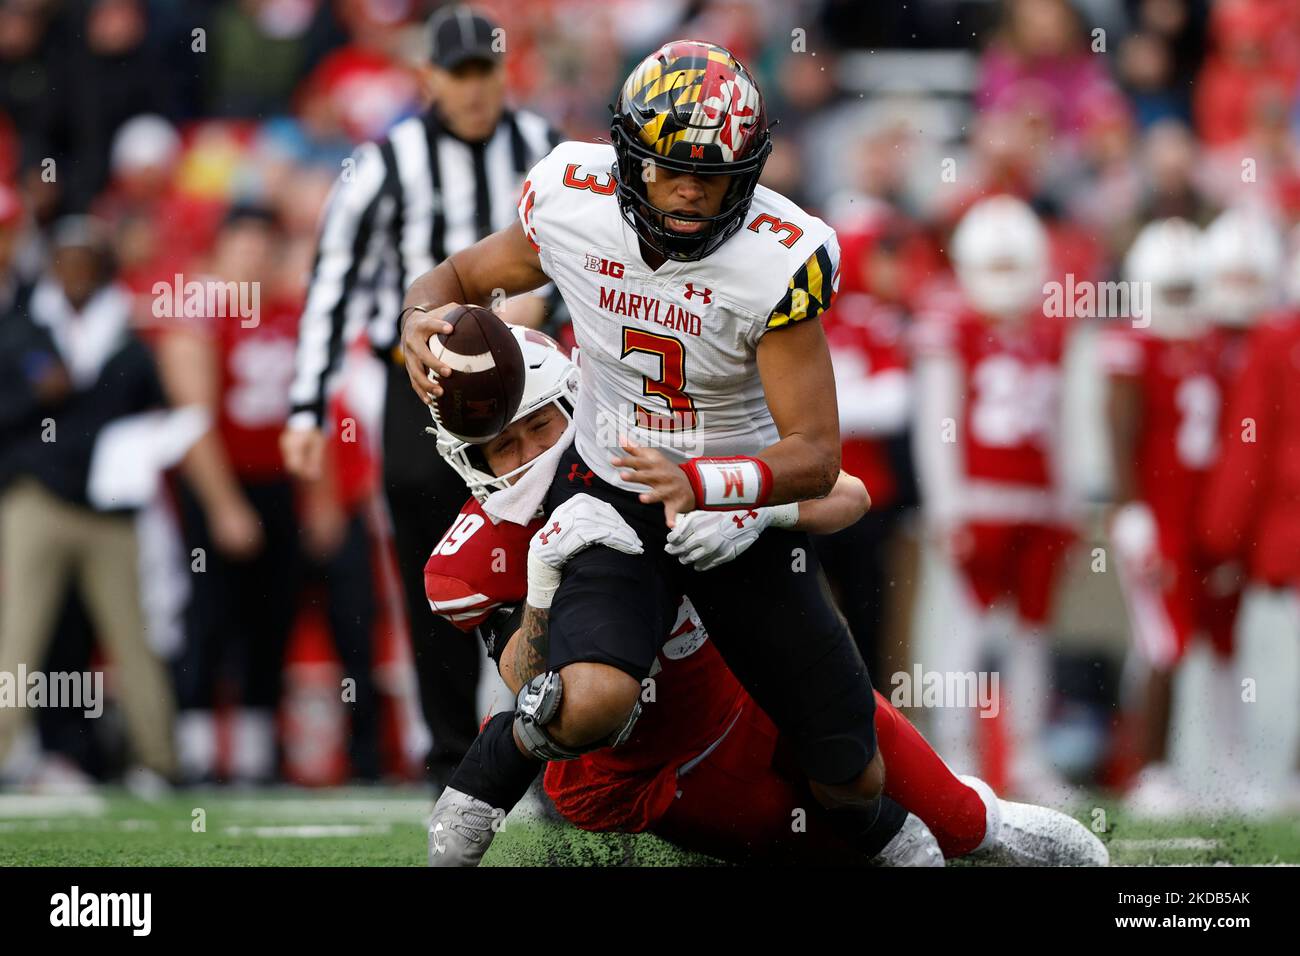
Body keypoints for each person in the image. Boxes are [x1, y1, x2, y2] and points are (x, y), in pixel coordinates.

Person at [405, 40, 961, 864]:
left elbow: (815, 456)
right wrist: (420, 316)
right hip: (612, 484)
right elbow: (455, 276)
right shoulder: (570, 198)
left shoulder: (778, 258)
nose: (695, 193)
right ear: (630, 159)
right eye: (672, 170)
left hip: (733, 509)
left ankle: (878, 842)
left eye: (716, 175)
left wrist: (708, 485)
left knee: (849, 769)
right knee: (592, 697)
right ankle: (484, 777)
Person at [422, 327, 1109, 866]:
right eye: (502, 447)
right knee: (848, 854)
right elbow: (533, 685)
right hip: (663, 769)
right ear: (467, 460)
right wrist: (544, 581)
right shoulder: (480, 553)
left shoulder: (645, 446)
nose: (528, 455)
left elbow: (849, 496)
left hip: (765, 685)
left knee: (963, 823)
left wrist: (753, 508)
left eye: (541, 426)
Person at [281, 6, 560, 785]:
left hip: (533, 383)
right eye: (459, 73)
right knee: (433, 566)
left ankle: (556, 745)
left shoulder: (542, 149)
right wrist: (306, 408)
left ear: (506, 72)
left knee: (552, 548)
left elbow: (589, 260)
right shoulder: (386, 162)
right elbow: (331, 280)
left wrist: (552, 309)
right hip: (421, 386)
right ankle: (448, 755)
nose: (475, 88)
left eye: (487, 70)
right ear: (429, 78)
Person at [0, 215, 176, 788]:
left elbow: (154, 408)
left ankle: (160, 762)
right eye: (67, 261)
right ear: (52, 266)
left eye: (87, 261)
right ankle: (3, 753)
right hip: (37, 500)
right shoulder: (20, 327)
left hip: (108, 509)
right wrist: (33, 396)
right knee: (18, 637)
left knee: (132, 636)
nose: (76, 272)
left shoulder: (125, 332)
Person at [912, 195, 1076, 802]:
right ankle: (956, 759)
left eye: (1015, 266)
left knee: (1032, 635)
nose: (1006, 281)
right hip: (978, 498)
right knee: (966, 635)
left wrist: (1067, 499)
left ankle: (1028, 757)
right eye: (996, 266)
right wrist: (947, 506)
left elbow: (1066, 422)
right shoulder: (954, 322)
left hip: (1034, 500)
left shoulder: (1050, 327)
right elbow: (938, 423)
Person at [1100, 218, 1240, 817]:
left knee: (1215, 641)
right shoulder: (1134, 344)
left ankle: (1220, 766)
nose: (1182, 302)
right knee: (1164, 644)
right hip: (1157, 518)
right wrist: (1130, 508)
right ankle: (1148, 771)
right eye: (1172, 290)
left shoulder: (1213, 343)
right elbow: (1120, 430)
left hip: (1204, 516)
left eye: (1189, 289)